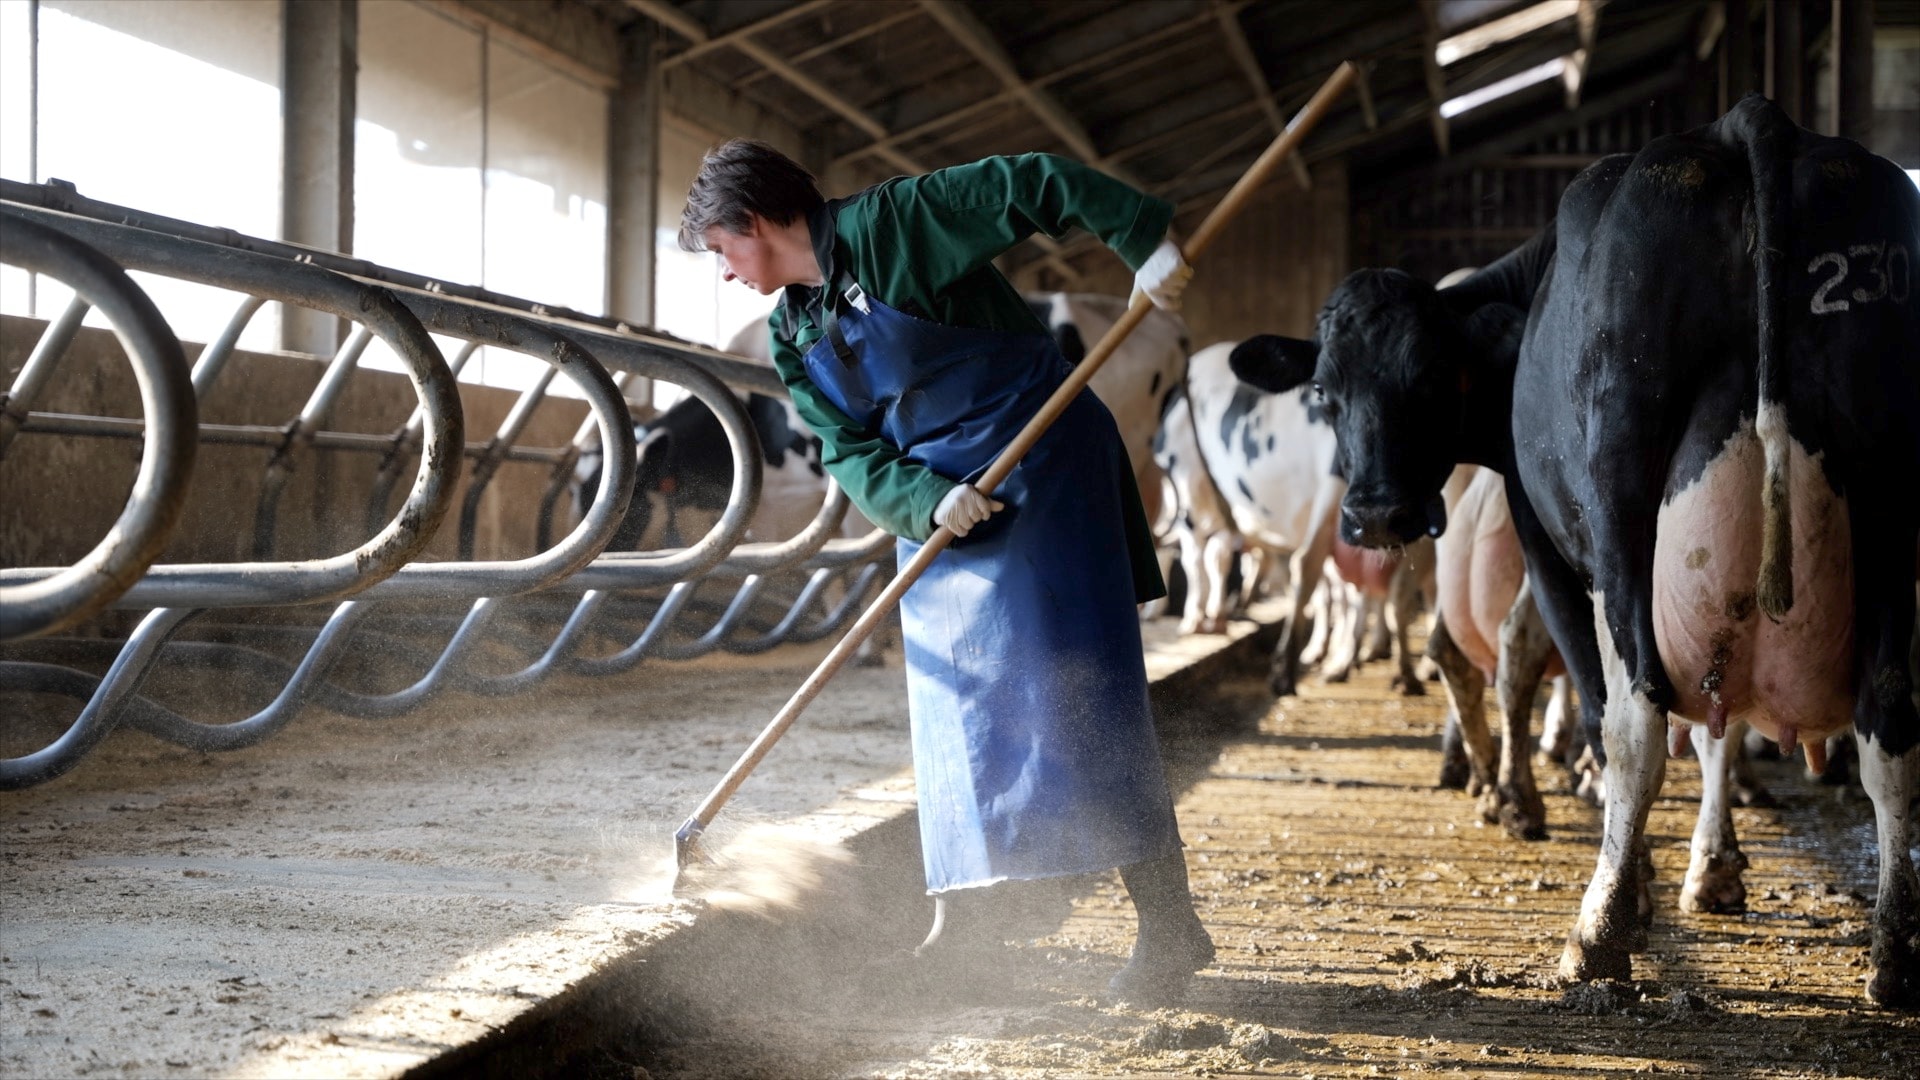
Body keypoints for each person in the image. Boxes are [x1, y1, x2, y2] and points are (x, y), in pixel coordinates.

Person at [678, 139, 1213, 1003]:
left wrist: (1140, 238)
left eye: (720, 251)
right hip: (941, 514)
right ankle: (964, 933)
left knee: (1080, 696)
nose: (728, 274)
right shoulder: (793, 331)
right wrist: (923, 500)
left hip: (1037, 470)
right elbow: (848, 448)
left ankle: (1169, 928)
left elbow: (1029, 181)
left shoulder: (897, 224)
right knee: (953, 716)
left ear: (754, 219)